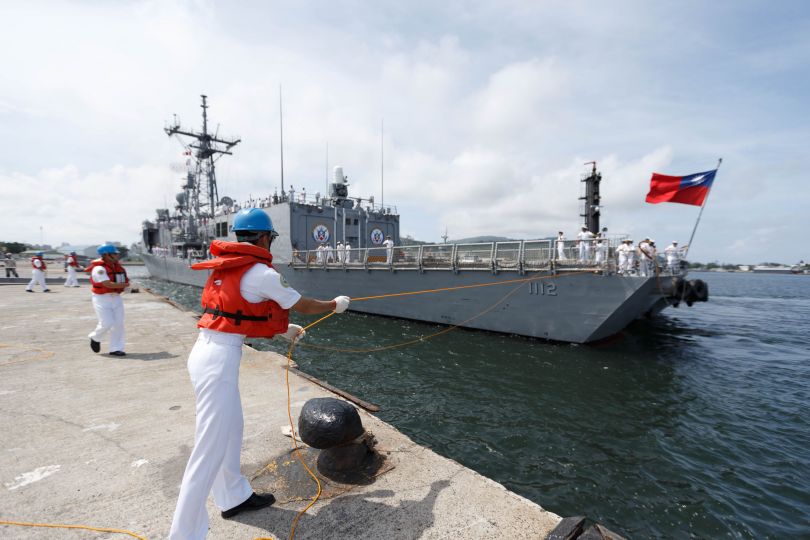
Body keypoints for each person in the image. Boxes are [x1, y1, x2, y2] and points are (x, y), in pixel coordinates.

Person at [168, 208, 350, 540]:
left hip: (208, 352)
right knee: (208, 448)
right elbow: (301, 302)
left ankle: (233, 496)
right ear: (265, 238)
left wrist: (281, 332)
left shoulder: (230, 269)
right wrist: (333, 305)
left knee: (231, 429)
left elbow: (233, 318)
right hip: (218, 361)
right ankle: (183, 534)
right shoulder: (260, 272)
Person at [86, 244, 129, 355]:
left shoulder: (117, 267)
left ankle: (116, 348)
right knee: (107, 322)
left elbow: (123, 281)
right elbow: (107, 284)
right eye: (114, 253)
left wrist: (126, 286)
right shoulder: (99, 269)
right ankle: (95, 337)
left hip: (116, 298)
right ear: (106, 255)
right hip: (102, 298)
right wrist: (127, 285)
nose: (117, 255)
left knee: (119, 324)